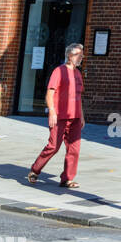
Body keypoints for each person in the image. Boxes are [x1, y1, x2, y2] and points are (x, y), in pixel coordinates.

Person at [28, 42, 85, 188]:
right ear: (70, 56)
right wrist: (52, 111)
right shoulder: (59, 71)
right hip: (59, 116)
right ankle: (35, 169)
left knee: (74, 149)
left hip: (76, 117)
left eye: (82, 55)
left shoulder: (78, 74)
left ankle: (67, 179)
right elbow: (49, 94)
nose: (81, 57)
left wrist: (82, 116)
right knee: (53, 146)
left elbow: (79, 96)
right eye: (78, 55)